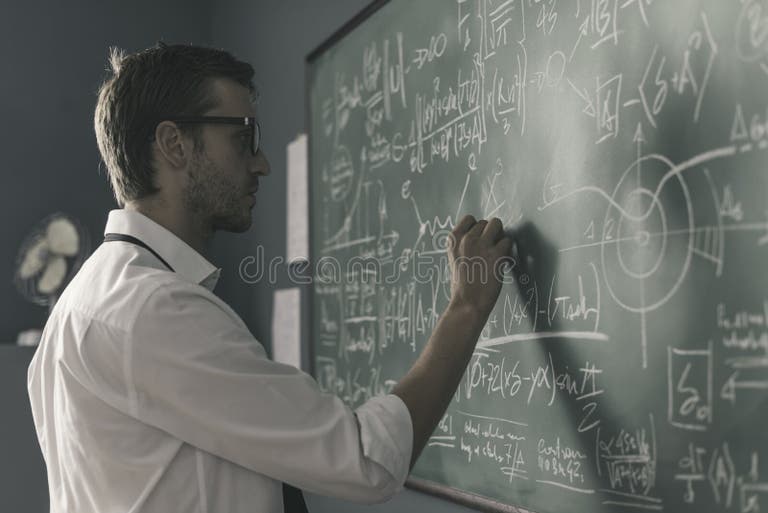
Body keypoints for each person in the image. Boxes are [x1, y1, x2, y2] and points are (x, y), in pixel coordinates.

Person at [27, 42, 513, 513]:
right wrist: (466, 307)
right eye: (243, 139)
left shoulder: (80, 306)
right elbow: (365, 460)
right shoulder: (154, 310)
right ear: (174, 144)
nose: (262, 163)